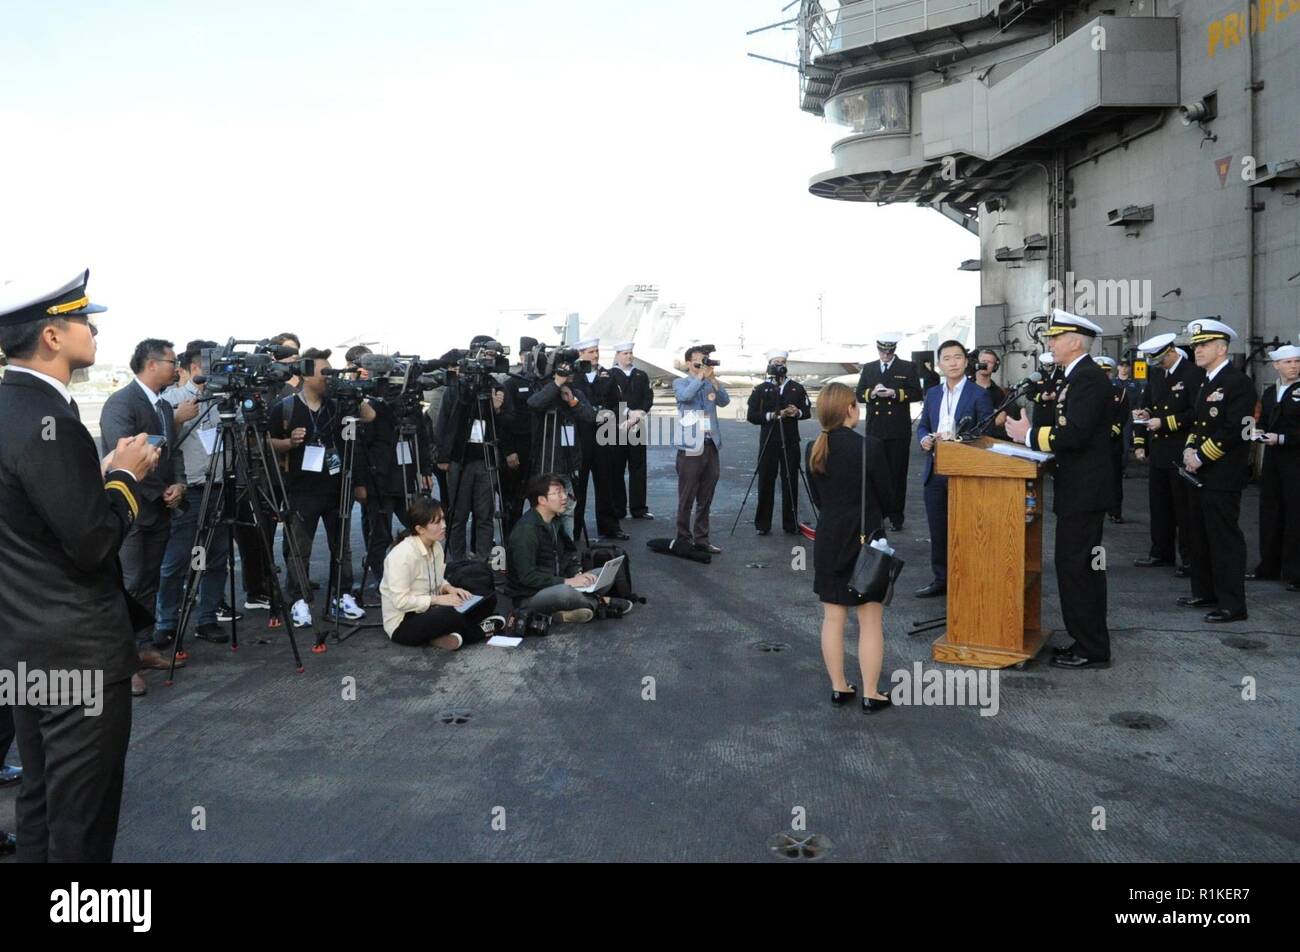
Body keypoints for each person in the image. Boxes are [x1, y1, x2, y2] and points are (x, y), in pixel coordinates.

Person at [0, 268, 161, 861]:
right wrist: (124, 478)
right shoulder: (53, 422)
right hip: (78, 654)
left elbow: (26, 517)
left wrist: (95, 481)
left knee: (41, 802)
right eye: (82, 321)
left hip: (23, 643)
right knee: (82, 822)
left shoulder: (8, 408)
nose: (92, 332)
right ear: (51, 336)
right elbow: (93, 543)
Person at [1006, 310, 1113, 669]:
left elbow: (1076, 434)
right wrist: (1032, 429)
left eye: (1056, 337)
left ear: (1076, 341)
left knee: (1078, 567)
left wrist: (1029, 436)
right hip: (1076, 489)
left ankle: (1092, 648)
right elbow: (1059, 424)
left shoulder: (1089, 379)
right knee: (1075, 566)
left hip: (1086, 490)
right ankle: (1085, 640)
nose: (1050, 342)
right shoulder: (1073, 376)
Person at [99, 338, 188, 690]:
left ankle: (143, 647)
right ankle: (123, 661)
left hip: (162, 508)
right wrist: (158, 490)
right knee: (130, 584)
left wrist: (178, 484)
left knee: (149, 581)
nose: (176, 367)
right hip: (132, 509)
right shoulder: (121, 404)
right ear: (152, 364)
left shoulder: (164, 406)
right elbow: (125, 460)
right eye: (171, 361)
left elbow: (171, 451)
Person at [269, 348, 376, 628]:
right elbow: (264, 443)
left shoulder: (338, 404)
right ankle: (299, 600)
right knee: (298, 549)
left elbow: (370, 416)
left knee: (342, 546)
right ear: (305, 374)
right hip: (301, 490)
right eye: (323, 371)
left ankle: (342, 595)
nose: (329, 376)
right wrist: (289, 443)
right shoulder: (286, 407)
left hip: (337, 487)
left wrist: (352, 392)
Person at [805, 382, 894, 714]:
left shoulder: (814, 448)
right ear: (849, 409)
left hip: (828, 538)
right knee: (870, 620)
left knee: (833, 618)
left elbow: (818, 499)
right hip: (866, 538)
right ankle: (871, 693)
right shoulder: (870, 447)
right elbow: (889, 499)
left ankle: (839, 687)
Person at [154, 340, 238, 648]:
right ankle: (166, 623)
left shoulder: (224, 399)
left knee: (216, 558)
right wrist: (177, 418)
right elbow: (158, 443)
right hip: (187, 491)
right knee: (175, 562)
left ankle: (207, 619)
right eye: (211, 362)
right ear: (195, 367)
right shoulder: (171, 400)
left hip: (219, 488)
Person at [1175, 319, 1256, 623]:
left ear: (1222, 348)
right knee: (1200, 534)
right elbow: (1200, 423)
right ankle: (1206, 591)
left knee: (1224, 538)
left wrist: (1202, 456)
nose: (1197, 350)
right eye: (1196, 345)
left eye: (1204, 344)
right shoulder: (1206, 381)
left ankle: (1233, 604)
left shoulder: (1237, 382)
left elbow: (1237, 429)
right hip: (1200, 472)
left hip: (1222, 474)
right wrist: (1188, 449)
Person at [915, 340, 996, 598]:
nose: (952, 362)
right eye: (947, 358)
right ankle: (941, 579)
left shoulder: (978, 394)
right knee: (938, 530)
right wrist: (925, 438)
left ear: (966, 361)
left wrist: (959, 440)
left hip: (965, 471)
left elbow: (986, 433)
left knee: (966, 529)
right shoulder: (933, 394)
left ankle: (968, 578)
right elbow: (923, 425)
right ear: (939, 364)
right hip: (936, 469)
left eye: (957, 357)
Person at [380, 496, 504, 649]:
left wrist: (450, 589)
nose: (444, 525)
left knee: (486, 598)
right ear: (420, 529)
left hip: (432, 609)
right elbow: (401, 602)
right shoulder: (401, 556)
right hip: (403, 622)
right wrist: (438, 600)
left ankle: (441, 636)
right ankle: (478, 631)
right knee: (449, 615)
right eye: (437, 522)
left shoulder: (436, 546)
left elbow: (439, 580)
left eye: (443, 520)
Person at [505, 474, 633, 622]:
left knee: (603, 574)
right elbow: (527, 577)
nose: (564, 497)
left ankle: (564, 613)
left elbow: (567, 555)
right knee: (565, 593)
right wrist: (568, 582)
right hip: (530, 596)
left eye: (564, 492)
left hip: (559, 583)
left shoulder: (555, 521)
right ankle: (601, 602)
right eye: (557, 493)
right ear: (542, 500)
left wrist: (577, 574)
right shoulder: (526, 531)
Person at [435, 336, 515, 561]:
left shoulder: (496, 387)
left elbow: (510, 421)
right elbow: (443, 423)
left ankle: (482, 561)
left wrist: (496, 409)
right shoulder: (456, 388)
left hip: (486, 459)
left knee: (485, 515)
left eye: (492, 356)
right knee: (458, 515)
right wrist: (442, 456)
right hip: (459, 459)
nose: (489, 361)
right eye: (485, 355)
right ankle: (458, 561)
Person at [1132, 334, 1202, 575]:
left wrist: (1165, 422)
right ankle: (1161, 551)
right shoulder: (1157, 375)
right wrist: (1146, 414)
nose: (1158, 365)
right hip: (1160, 451)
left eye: (1160, 360)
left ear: (1170, 352)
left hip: (1181, 448)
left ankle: (1191, 559)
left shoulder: (1192, 374)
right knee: (1160, 505)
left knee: (1184, 508)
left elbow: (1196, 413)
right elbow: (1150, 402)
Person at [855, 332, 921, 531]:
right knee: (874, 474)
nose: (885, 354)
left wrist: (895, 393)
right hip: (875, 428)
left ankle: (896, 515)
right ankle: (877, 514)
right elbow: (859, 394)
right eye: (882, 351)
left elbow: (917, 393)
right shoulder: (869, 368)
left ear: (894, 350)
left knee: (897, 475)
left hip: (898, 429)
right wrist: (872, 393)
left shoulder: (907, 367)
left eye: (889, 351)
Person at [1248, 344, 1300, 591]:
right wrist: (1258, 432)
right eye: (1288, 362)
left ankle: (1295, 572)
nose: (1294, 366)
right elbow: (1265, 420)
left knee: (1295, 516)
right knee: (1270, 511)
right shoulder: (1270, 393)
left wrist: (1283, 438)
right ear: (1276, 365)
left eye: (1297, 362)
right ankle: (1269, 565)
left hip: (1295, 459)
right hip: (1273, 460)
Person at [746, 350, 811, 535]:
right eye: (776, 362)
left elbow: (806, 411)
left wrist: (795, 412)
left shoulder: (796, 388)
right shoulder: (761, 389)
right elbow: (752, 416)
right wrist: (774, 415)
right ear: (769, 364)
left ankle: (790, 524)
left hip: (790, 440)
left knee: (790, 481)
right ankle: (762, 524)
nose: (780, 365)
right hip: (769, 440)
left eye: (782, 361)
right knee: (766, 480)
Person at [673, 345, 731, 554]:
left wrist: (713, 380)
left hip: (710, 444)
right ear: (688, 363)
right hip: (690, 447)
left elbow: (724, 401)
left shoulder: (709, 384)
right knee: (687, 496)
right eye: (698, 362)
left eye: (704, 361)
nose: (701, 366)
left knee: (706, 496)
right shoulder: (680, 382)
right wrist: (699, 377)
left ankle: (702, 539)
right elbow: (685, 397)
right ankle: (683, 538)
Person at [569, 337, 626, 543]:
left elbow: (616, 404)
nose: (596, 355)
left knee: (606, 482)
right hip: (580, 436)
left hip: (603, 434)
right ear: (581, 353)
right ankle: (574, 529)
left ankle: (609, 526)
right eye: (591, 351)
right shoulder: (572, 375)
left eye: (596, 351)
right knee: (578, 486)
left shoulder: (607, 375)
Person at [607, 340, 655, 521]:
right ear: (617, 355)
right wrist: (627, 413)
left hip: (636, 426)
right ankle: (618, 509)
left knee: (638, 468)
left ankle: (639, 508)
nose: (629, 356)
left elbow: (647, 398)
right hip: (615, 427)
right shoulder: (610, 375)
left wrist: (638, 415)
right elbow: (610, 400)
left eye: (630, 353)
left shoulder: (641, 375)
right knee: (616, 469)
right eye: (625, 353)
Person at [1096, 356, 1130, 524]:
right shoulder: (1090, 393)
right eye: (1101, 372)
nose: (1105, 375)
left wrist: (1113, 430)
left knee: (1115, 479)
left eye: (1107, 372)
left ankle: (1115, 511)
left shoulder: (1120, 392)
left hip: (1113, 442)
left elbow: (1123, 415)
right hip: (1094, 443)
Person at [970, 348, 1018, 440]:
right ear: (977, 363)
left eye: (990, 362)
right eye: (983, 361)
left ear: (995, 367)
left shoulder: (999, 394)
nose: (985, 364)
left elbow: (1001, 419)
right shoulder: (965, 388)